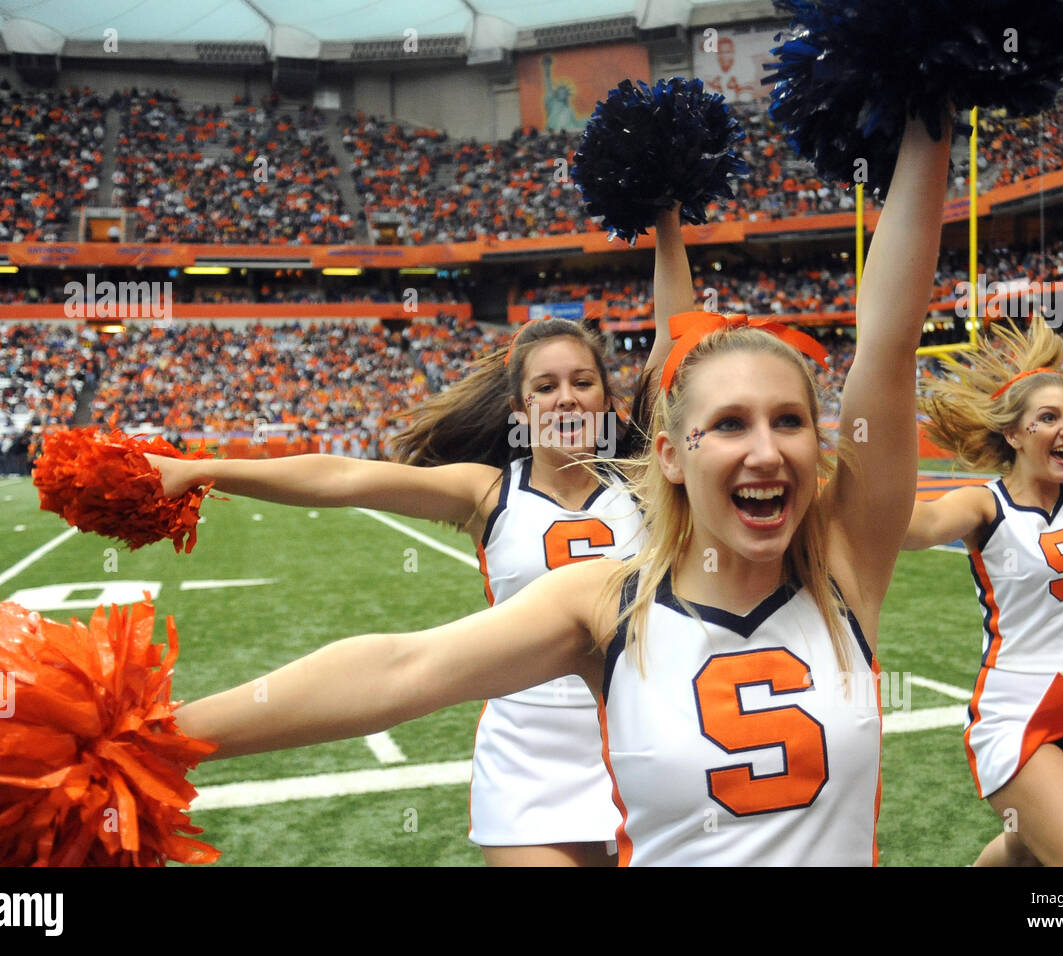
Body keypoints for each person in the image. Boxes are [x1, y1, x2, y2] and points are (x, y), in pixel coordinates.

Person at [173, 115, 952, 865]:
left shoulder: (840, 572)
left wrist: (928, 109)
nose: (765, 450)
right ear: (674, 455)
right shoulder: (596, 593)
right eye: (730, 425)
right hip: (540, 759)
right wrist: (151, 732)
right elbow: (399, 666)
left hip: (616, 752)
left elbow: (886, 341)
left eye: (789, 420)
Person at [148, 207, 691, 867]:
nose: (567, 398)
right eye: (545, 387)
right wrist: (200, 468)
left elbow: (677, 340)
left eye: (583, 383)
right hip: (531, 768)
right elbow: (343, 476)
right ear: (521, 411)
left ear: (609, 402)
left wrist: (664, 217)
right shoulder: (485, 491)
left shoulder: (642, 478)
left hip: (651, 744)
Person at [903, 290, 1063, 867]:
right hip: (1020, 710)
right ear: (1014, 435)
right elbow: (915, 527)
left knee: (1027, 853)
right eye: (1048, 418)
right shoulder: (984, 506)